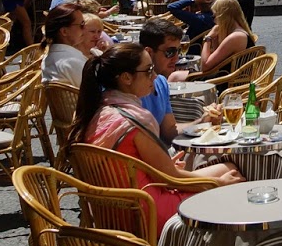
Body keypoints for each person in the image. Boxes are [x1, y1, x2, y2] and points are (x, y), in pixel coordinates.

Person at [68, 43, 243, 224]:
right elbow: (172, 178)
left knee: (225, 169)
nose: (155, 76)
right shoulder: (134, 120)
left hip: (110, 212)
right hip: (147, 212)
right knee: (232, 174)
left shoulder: (98, 112)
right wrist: (218, 185)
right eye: (148, 70)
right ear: (126, 77)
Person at [137, 19, 222, 142]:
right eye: (170, 52)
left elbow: (170, 130)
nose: (176, 58)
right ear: (149, 52)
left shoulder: (161, 82)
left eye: (178, 51)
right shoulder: (130, 87)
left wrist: (203, 121)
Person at [194, 0, 257, 75]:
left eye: (215, 16)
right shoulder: (239, 31)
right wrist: (215, 39)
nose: (214, 20)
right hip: (229, 77)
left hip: (229, 82)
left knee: (177, 76)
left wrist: (208, 38)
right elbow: (216, 60)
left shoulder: (235, 37)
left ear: (222, 16)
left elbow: (205, 66)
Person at [40, 5, 90, 84]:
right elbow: (94, 91)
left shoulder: (50, 56)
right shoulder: (71, 61)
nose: (85, 28)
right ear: (64, 31)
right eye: (81, 25)